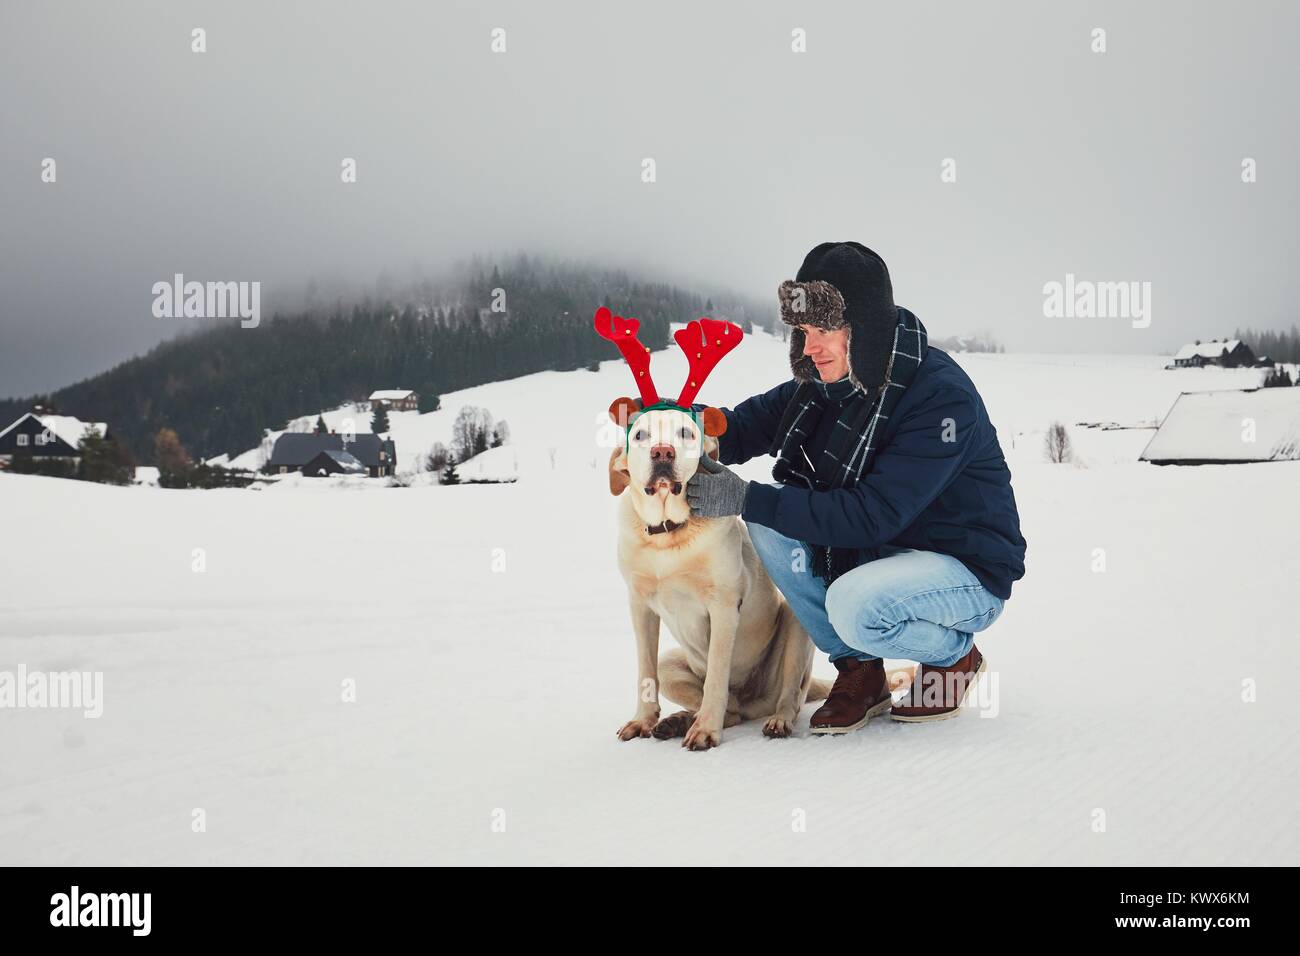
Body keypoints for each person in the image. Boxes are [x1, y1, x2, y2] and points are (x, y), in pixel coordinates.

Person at [686, 242, 1027, 733]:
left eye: (825, 330)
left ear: (864, 329)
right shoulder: (828, 382)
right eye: (804, 331)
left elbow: (872, 514)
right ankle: (860, 672)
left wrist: (745, 496)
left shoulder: (941, 401)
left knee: (853, 604)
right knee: (769, 525)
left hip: (964, 570)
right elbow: (742, 426)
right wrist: (672, 425)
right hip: (885, 556)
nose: (810, 348)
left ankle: (955, 656)